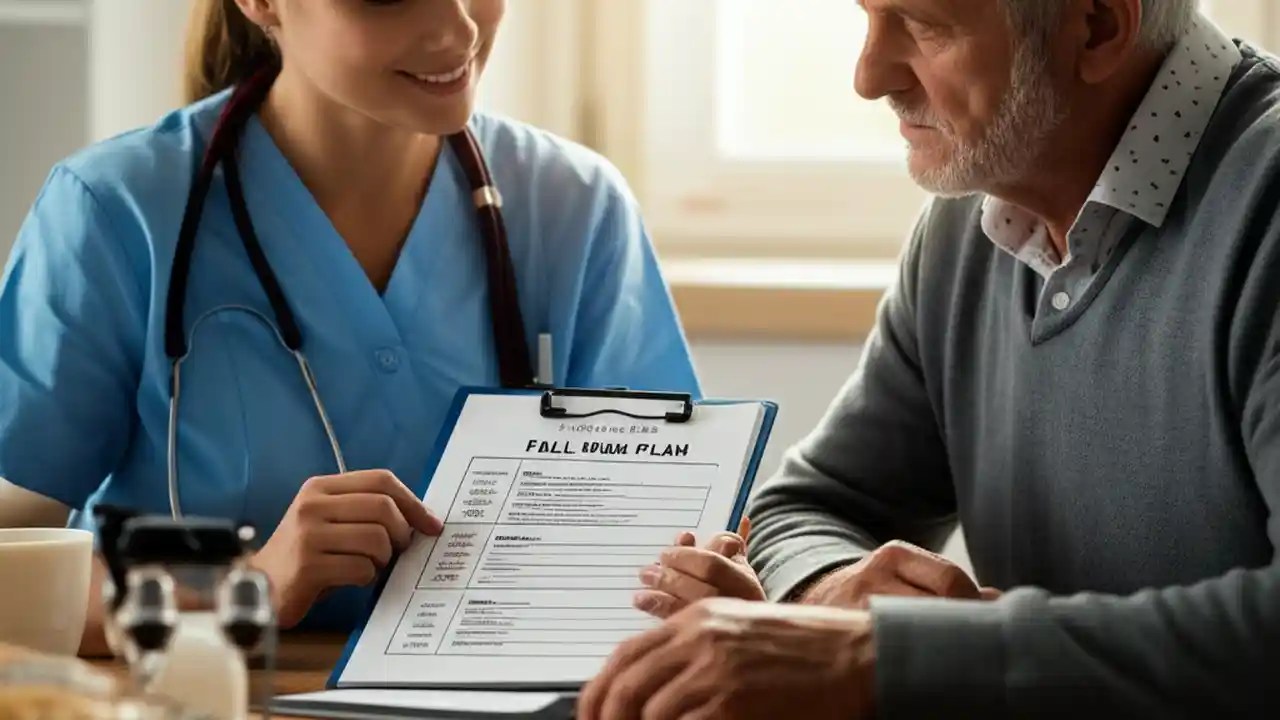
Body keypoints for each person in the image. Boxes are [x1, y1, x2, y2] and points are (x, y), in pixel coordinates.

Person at [586, 0, 1278, 716]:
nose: (869, 76)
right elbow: (806, 506)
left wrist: (886, 655)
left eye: (923, 24)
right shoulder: (973, 221)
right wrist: (835, 590)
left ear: (1098, 26)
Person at [0, 0, 700, 656]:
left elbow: (655, 538)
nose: (458, 30)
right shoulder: (117, 213)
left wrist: (697, 592)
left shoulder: (575, 208)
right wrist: (247, 590)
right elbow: (10, 570)